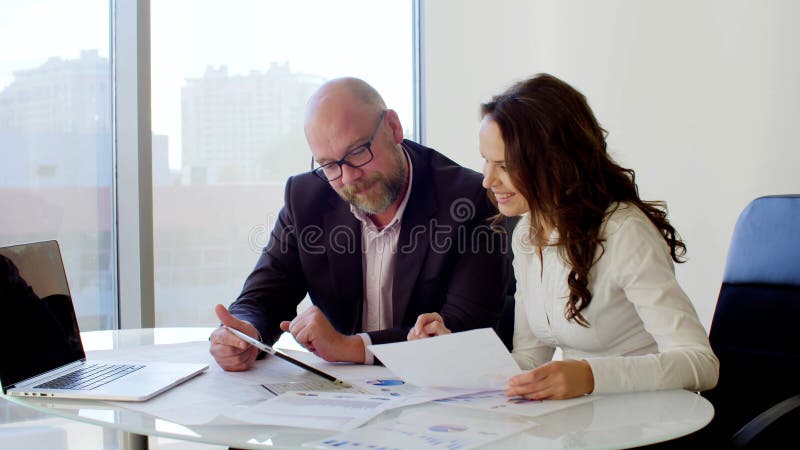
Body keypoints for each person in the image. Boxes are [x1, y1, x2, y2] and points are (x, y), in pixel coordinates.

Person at [408, 74, 719, 400]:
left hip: (651, 424)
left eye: (505, 165)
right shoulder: (527, 234)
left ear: (555, 162)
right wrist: (451, 357)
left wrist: (589, 375)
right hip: (585, 425)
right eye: (486, 160)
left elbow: (700, 363)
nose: (487, 180)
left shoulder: (624, 232)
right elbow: (529, 360)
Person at [209, 77, 508, 371]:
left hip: (440, 396)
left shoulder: (469, 200)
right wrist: (245, 332)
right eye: (328, 165)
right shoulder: (306, 198)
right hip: (345, 401)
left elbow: (464, 331)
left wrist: (350, 347)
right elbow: (263, 296)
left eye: (356, 153)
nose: (348, 177)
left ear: (393, 127)